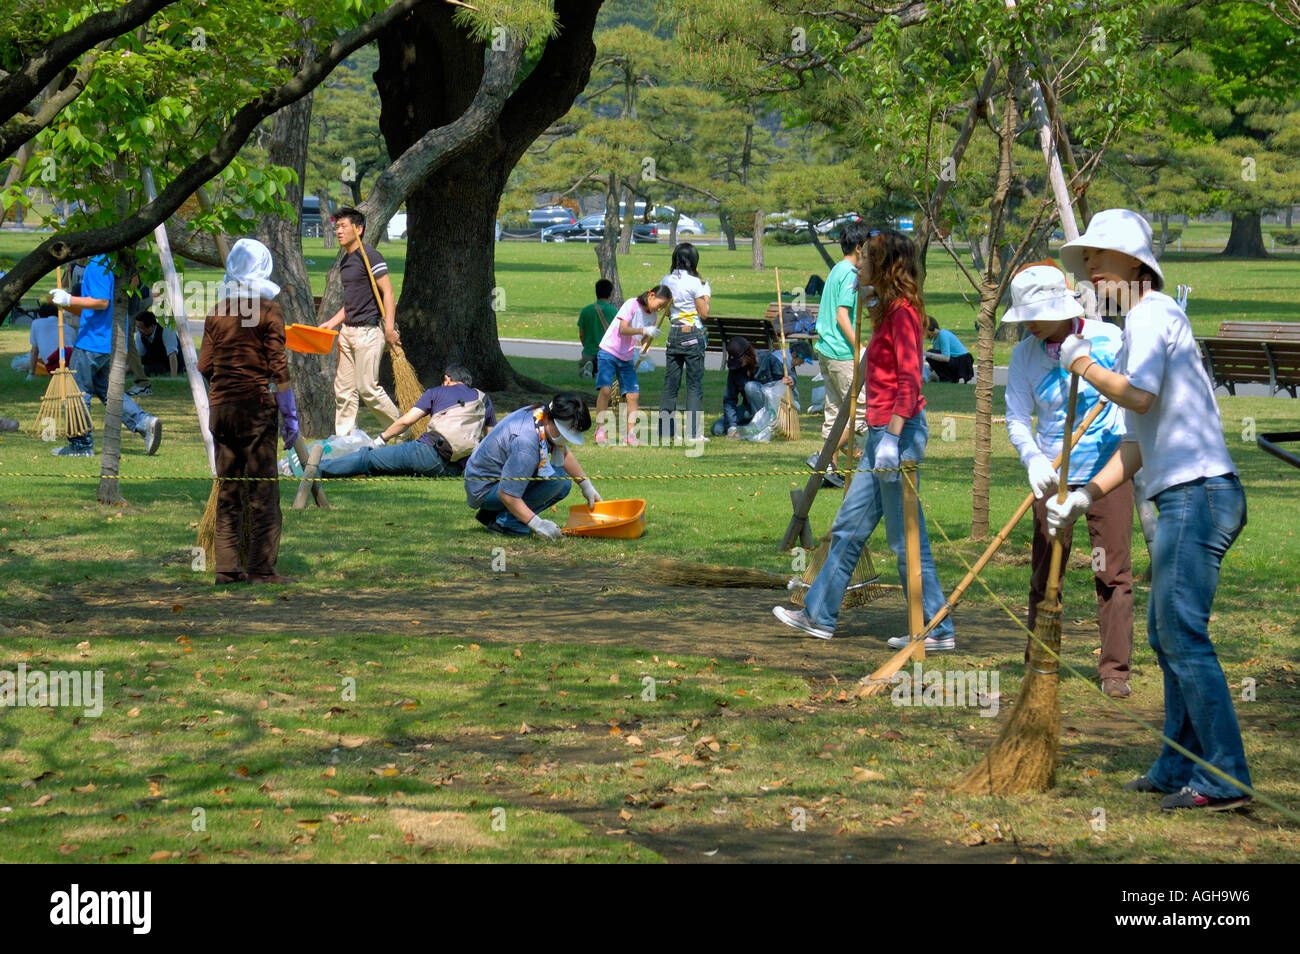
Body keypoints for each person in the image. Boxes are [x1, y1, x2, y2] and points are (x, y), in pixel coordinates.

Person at [1046, 209, 1252, 811]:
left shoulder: (1154, 313)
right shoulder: (1140, 322)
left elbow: (1139, 394)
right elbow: (1135, 444)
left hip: (1199, 492)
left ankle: (1224, 777)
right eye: (1085, 261)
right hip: (1181, 492)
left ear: (1135, 266)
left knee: (1183, 636)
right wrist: (1084, 495)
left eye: (1099, 259)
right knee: (1168, 637)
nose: (1089, 270)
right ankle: (1176, 765)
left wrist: (1084, 364)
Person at [772, 228, 955, 650]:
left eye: (867, 259)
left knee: (906, 536)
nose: (859, 264)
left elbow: (909, 383)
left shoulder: (905, 313)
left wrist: (891, 439)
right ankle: (818, 615)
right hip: (880, 436)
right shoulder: (887, 312)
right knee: (848, 528)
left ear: (887, 267)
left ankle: (936, 627)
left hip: (899, 434)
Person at [1002, 264, 1134, 698]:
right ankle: (1040, 659)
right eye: (1026, 317)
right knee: (1045, 572)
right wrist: (1033, 460)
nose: (1032, 325)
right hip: (1054, 477)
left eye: (1038, 314)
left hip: (1108, 474)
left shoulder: (1110, 341)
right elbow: (1018, 417)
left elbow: (1132, 393)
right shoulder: (1024, 355)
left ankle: (1115, 671)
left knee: (1110, 571)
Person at [197, 238, 298, 585]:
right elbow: (279, 369)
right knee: (263, 493)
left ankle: (225, 569)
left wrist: (224, 386)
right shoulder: (269, 310)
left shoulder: (216, 313)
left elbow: (204, 364)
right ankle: (261, 569)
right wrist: (290, 416)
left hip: (221, 411)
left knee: (228, 492)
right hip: (255, 411)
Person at [48, 255, 162, 457]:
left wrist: (68, 299)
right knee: (108, 390)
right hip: (112, 339)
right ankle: (143, 422)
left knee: (77, 391)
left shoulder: (98, 264)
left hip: (93, 340)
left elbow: (101, 301)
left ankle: (81, 444)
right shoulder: (118, 261)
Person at [318, 365, 495, 478]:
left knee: (368, 458)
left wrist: (381, 440)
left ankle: (317, 469)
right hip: (454, 469)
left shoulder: (437, 392)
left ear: (448, 379)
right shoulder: (484, 400)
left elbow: (406, 421)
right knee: (383, 468)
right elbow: (491, 440)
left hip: (425, 454)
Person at [464, 392, 598, 539]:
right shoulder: (526, 444)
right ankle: (507, 524)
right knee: (557, 480)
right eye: (565, 434)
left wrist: (586, 486)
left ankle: (494, 515)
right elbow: (507, 493)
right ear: (551, 420)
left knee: (563, 484)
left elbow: (563, 452)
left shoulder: (541, 415)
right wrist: (537, 524)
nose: (566, 440)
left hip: (494, 482)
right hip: (484, 490)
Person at [318, 207, 402, 436]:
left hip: (368, 332)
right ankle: (344, 439)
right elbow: (352, 302)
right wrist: (332, 323)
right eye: (337, 227)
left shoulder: (370, 255)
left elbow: (388, 293)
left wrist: (389, 328)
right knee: (343, 390)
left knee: (368, 388)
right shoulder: (346, 261)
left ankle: (400, 432)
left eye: (344, 226)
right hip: (347, 333)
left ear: (359, 229)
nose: (339, 231)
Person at [809, 221, 871, 488]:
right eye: (867, 247)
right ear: (859, 247)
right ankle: (822, 458)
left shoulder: (837, 269)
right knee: (862, 412)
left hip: (827, 350)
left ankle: (829, 470)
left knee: (836, 413)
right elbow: (842, 315)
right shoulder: (849, 273)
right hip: (842, 353)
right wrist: (859, 347)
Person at [592, 286, 668, 446]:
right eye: (660, 305)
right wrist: (644, 329)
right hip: (609, 351)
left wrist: (645, 349)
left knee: (633, 395)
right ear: (651, 295)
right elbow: (623, 329)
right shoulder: (632, 304)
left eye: (663, 308)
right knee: (605, 390)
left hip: (626, 357)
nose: (660, 309)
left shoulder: (653, 316)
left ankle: (631, 435)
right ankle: (600, 429)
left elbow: (645, 337)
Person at [658, 243, 711, 443]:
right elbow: (704, 313)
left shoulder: (666, 279)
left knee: (670, 384)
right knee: (694, 386)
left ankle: (665, 431)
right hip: (692, 334)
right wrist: (707, 295)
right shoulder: (695, 283)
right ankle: (694, 432)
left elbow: (665, 308)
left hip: (674, 333)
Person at [711, 336, 796, 439]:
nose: (738, 365)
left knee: (750, 387)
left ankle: (763, 426)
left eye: (740, 361)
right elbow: (730, 399)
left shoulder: (767, 359)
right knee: (717, 429)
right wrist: (732, 426)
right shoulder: (735, 369)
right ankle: (749, 427)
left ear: (748, 354)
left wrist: (791, 380)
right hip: (749, 409)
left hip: (770, 408)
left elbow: (789, 376)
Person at [577, 279, 617, 378]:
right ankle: (597, 368)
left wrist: (586, 346)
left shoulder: (585, 310)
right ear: (610, 294)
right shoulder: (614, 312)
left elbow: (582, 335)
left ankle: (588, 367)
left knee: (586, 366)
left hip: (588, 352)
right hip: (606, 353)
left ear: (596, 292)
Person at [28, 303, 76, 377]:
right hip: (72, 364)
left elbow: (34, 352)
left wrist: (31, 374)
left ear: (40, 315)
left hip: (54, 365)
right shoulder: (70, 329)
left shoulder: (36, 323)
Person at [133, 311, 183, 377]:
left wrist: (173, 376)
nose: (139, 330)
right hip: (154, 361)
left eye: (142, 328)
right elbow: (139, 355)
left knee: (147, 369)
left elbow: (172, 354)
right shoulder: (140, 334)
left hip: (169, 363)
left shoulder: (166, 329)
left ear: (152, 326)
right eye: (138, 328)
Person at [923, 318, 973, 383]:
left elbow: (946, 358)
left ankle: (948, 378)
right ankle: (944, 377)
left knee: (930, 353)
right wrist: (926, 373)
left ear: (930, 329)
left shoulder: (942, 335)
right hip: (955, 360)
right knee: (932, 353)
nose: (925, 335)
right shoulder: (936, 339)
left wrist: (926, 354)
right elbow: (936, 359)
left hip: (962, 362)